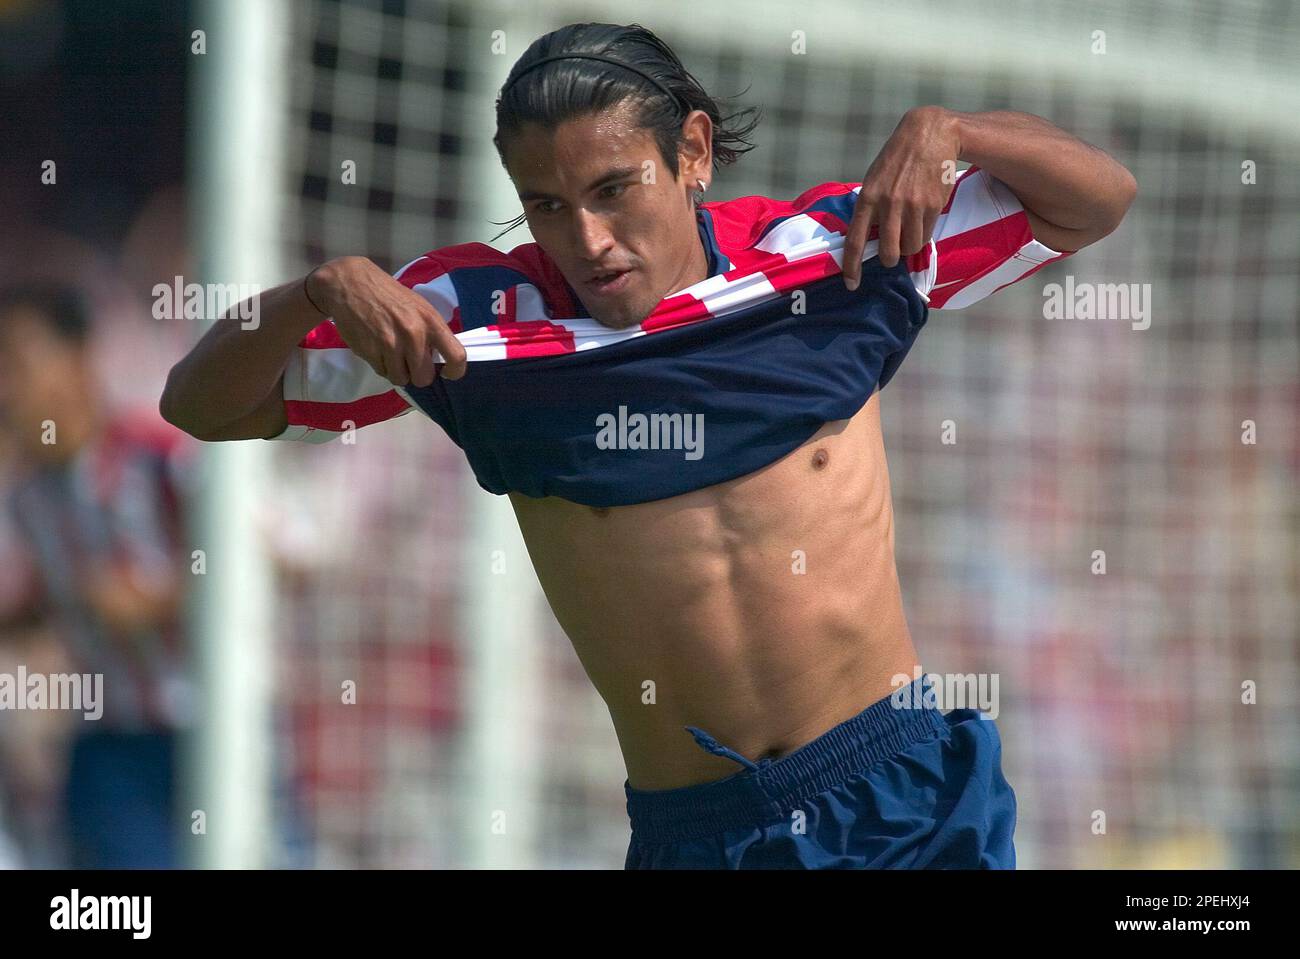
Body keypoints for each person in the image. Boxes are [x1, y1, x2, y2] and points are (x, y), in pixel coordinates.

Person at [161, 22, 1136, 868]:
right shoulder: (472, 323)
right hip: (694, 832)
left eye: (612, 188)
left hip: (895, 798)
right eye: (545, 203)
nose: (585, 238)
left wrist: (955, 130)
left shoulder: (835, 251)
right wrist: (313, 292)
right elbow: (203, 405)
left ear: (694, 152)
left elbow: (1095, 197)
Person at [0, 281, 193, 868]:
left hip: (205, 727)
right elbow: (46, 603)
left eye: (18, 364)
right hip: (110, 743)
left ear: (79, 355)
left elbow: (276, 566)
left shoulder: (164, 455)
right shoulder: (29, 496)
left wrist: (164, 601)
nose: (9, 389)